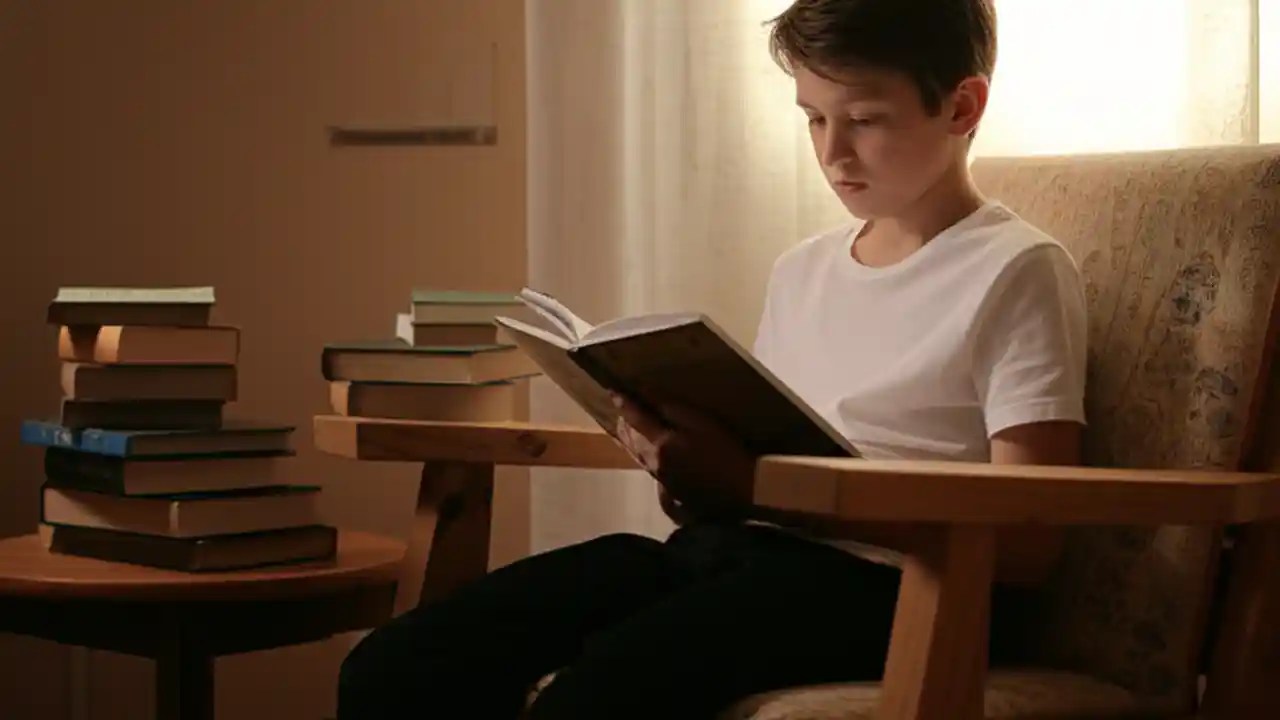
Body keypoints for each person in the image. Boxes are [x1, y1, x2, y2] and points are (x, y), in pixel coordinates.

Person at [335, 0, 1088, 717]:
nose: (832, 152)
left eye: (863, 120)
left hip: (887, 587)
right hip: (738, 551)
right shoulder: (803, 270)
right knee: (396, 666)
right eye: (814, 118)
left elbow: (1029, 541)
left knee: (593, 700)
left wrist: (761, 488)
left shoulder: (1016, 269)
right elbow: (756, 474)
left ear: (962, 107)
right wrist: (689, 474)